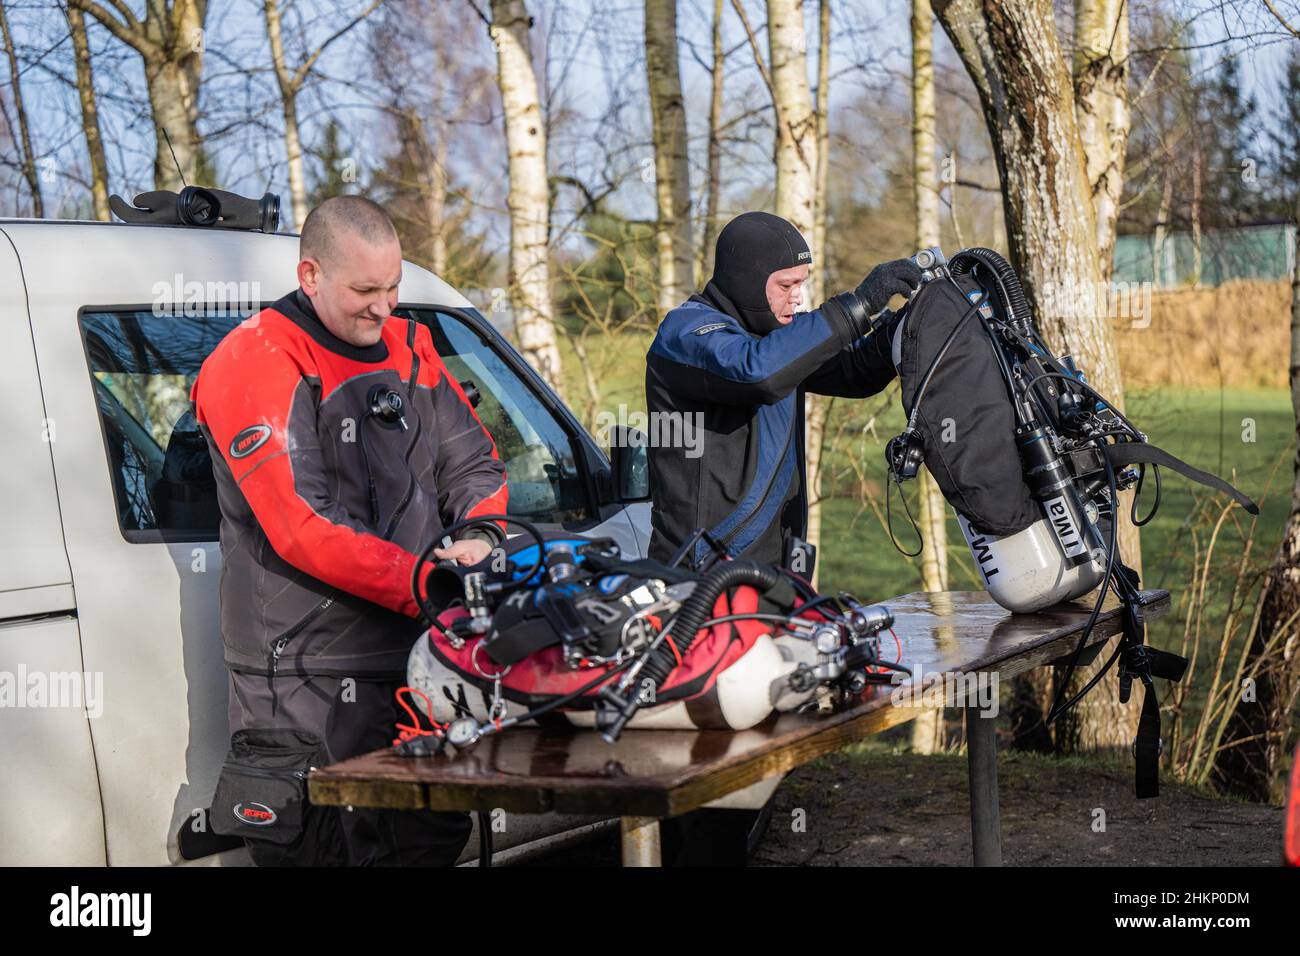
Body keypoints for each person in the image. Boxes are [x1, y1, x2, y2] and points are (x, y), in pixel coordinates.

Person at [192, 195, 508, 866]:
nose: (384, 306)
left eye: (394, 288)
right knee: (328, 854)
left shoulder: (409, 346)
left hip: (417, 665)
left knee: (428, 846)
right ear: (310, 276)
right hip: (306, 682)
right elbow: (300, 524)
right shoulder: (256, 359)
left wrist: (480, 534)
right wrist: (428, 580)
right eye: (365, 289)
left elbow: (475, 461)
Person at [644, 210, 922, 864]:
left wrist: (913, 315)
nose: (798, 297)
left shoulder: (771, 332)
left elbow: (852, 371)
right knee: (709, 781)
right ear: (744, 281)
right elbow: (758, 371)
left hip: (767, 589)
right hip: (700, 595)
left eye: (805, 283)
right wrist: (858, 300)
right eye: (785, 285)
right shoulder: (689, 336)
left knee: (761, 773)